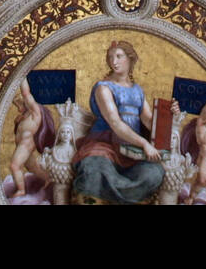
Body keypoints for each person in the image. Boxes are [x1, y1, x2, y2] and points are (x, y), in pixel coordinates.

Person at [72, 40, 172, 203]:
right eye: (111, 57)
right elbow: (116, 124)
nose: (114, 61)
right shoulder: (103, 88)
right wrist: (144, 144)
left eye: (119, 56)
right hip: (105, 144)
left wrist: (169, 113)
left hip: (132, 150)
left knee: (153, 173)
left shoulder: (137, 90)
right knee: (95, 167)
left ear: (130, 59)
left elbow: (148, 121)